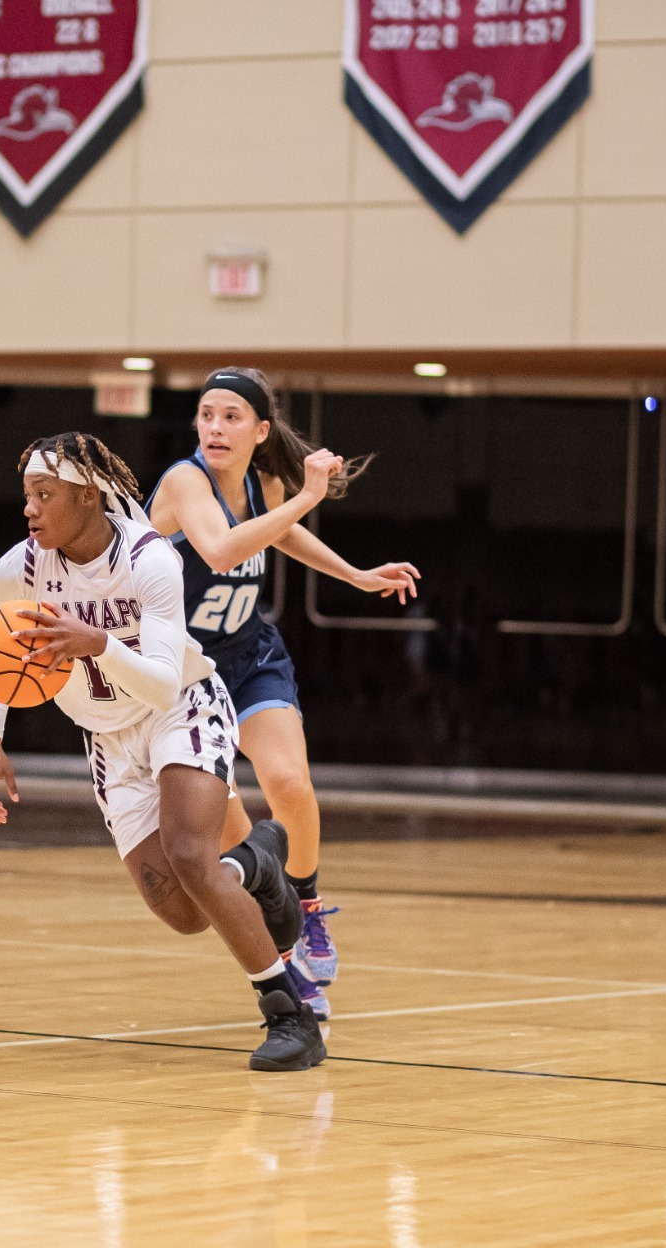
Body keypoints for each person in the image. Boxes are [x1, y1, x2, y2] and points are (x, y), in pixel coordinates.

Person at [0, 432, 324, 1072]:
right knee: (185, 913)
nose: (29, 509)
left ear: (87, 495)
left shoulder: (150, 559)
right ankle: (256, 862)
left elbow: (163, 680)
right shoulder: (15, 570)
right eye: (26, 495)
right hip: (107, 737)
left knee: (192, 853)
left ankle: (290, 1015)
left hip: (182, 705)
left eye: (43, 494)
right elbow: (0, 655)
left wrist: (96, 643)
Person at [149, 367, 418, 1016]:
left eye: (230, 417)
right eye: (206, 414)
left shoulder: (265, 482)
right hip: (187, 677)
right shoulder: (185, 482)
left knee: (291, 785)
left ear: (260, 430)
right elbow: (217, 551)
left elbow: (280, 529)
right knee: (239, 837)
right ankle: (284, 960)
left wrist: (353, 575)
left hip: (249, 655)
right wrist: (307, 498)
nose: (214, 426)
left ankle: (310, 905)